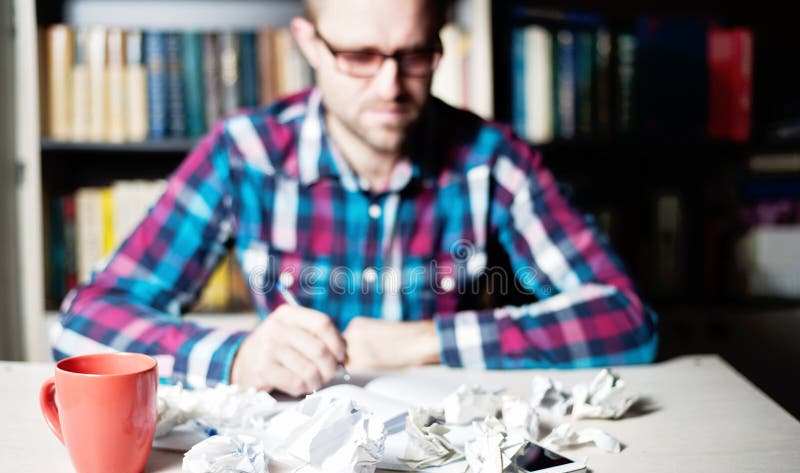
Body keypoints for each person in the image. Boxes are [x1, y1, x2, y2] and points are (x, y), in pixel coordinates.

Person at [54, 0, 658, 396]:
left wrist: (426, 342)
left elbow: (627, 322)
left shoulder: (492, 159)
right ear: (310, 44)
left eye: (415, 55)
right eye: (359, 57)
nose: (391, 86)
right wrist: (236, 357)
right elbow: (85, 323)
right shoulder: (244, 152)